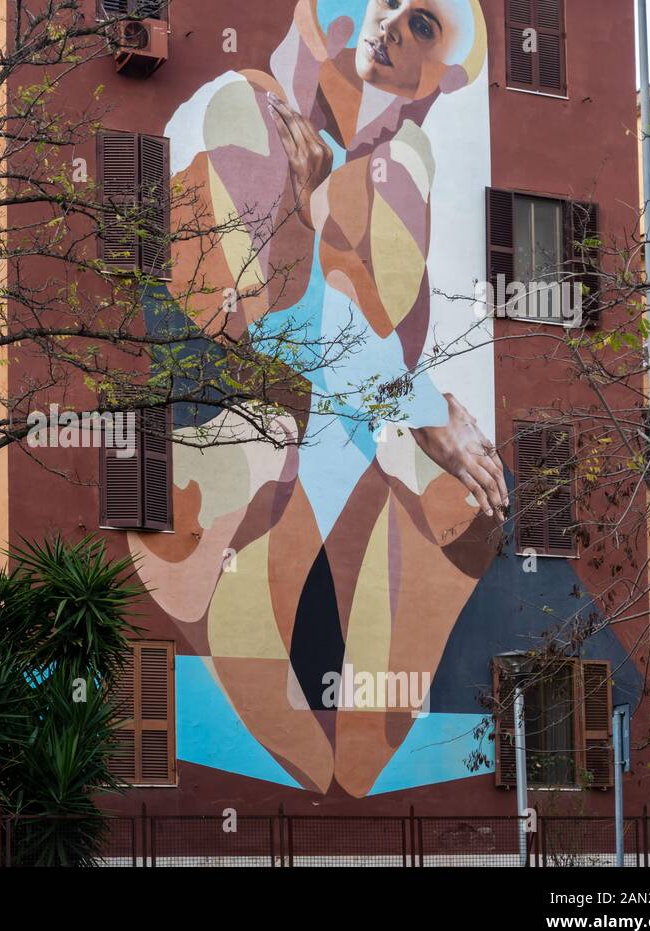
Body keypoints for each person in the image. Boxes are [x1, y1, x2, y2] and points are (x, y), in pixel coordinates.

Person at [133, 0, 503, 796]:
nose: (393, 24)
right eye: (389, 6)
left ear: (442, 75)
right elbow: (246, 320)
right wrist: (428, 411)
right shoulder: (237, 104)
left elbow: (388, 335)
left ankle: (354, 709)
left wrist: (422, 411)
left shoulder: (407, 159)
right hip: (230, 446)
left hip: (348, 466)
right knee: (310, 740)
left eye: (424, 25)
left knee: (470, 505)